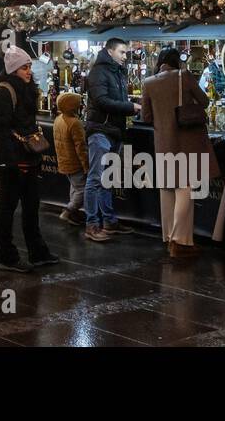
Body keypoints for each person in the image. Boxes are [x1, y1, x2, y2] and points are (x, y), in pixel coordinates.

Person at [140, 47, 217, 258]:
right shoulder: (185, 76)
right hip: (186, 140)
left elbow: (146, 116)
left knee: (166, 189)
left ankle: (168, 237)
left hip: (163, 141)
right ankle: (180, 242)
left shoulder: (148, 82)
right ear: (177, 61)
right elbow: (204, 101)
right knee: (185, 188)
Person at [0, 47, 59, 272]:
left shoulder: (28, 90)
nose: (28, 72)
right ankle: (6, 255)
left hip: (29, 155)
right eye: (24, 68)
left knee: (32, 205)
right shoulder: (4, 91)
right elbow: (1, 128)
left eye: (29, 67)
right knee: (8, 206)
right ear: (13, 69)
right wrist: (12, 157)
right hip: (12, 158)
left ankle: (37, 251)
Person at [82, 37, 140, 242]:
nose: (125, 56)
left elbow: (115, 99)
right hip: (100, 130)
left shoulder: (116, 72)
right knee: (96, 178)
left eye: (126, 53)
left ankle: (108, 221)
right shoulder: (99, 71)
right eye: (122, 52)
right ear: (110, 51)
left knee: (106, 179)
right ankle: (91, 224)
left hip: (113, 130)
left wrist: (129, 105)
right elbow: (102, 100)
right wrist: (130, 108)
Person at [52, 91, 88, 227]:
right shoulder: (74, 123)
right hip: (75, 163)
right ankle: (69, 210)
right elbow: (81, 148)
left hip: (64, 161)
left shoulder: (58, 119)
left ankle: (73, 215)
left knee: (74, 187)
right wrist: (86, 166)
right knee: (82, 190)